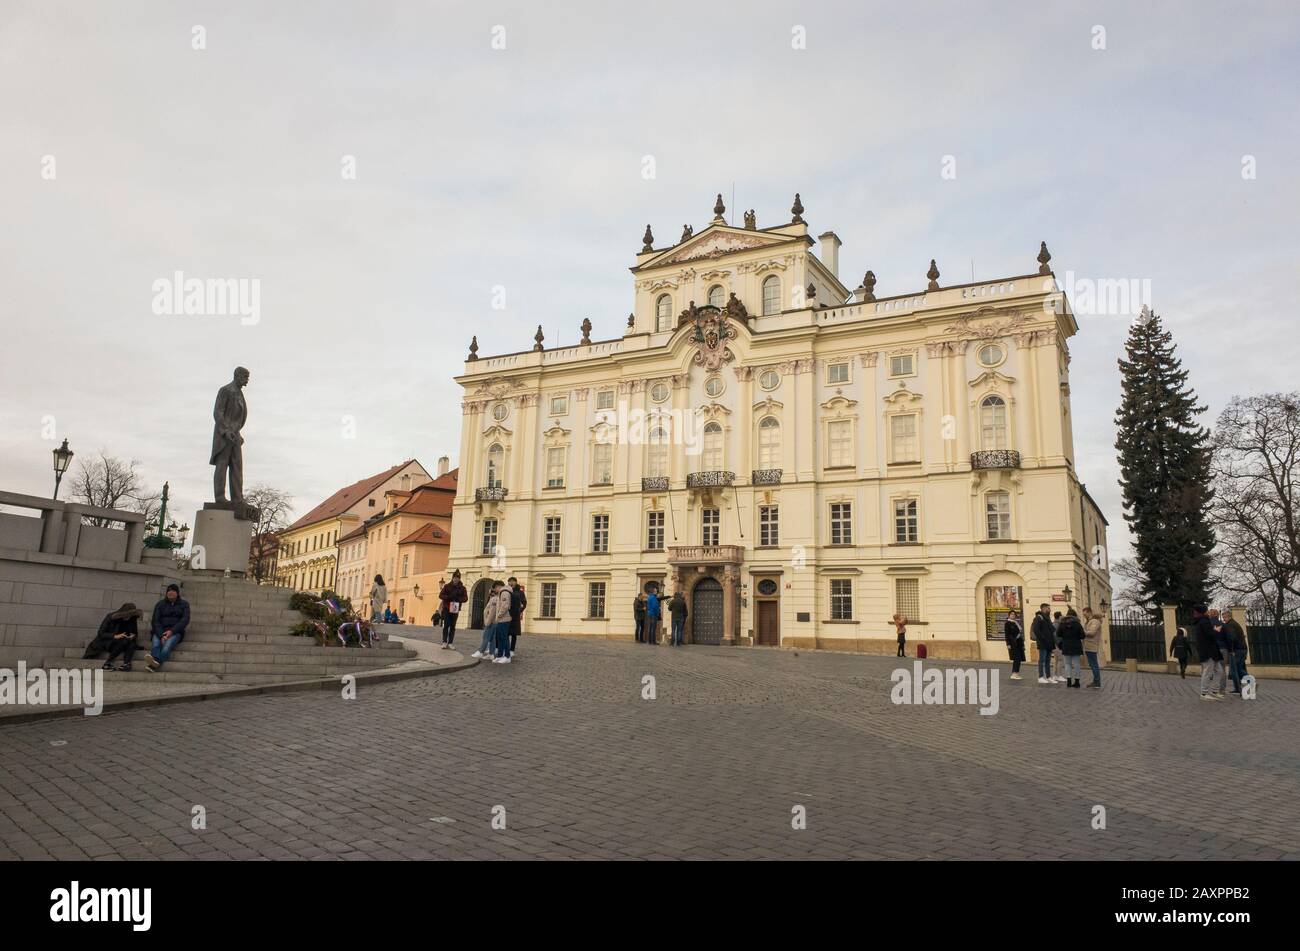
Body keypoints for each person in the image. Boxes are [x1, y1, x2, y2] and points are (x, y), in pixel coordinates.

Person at [83, 603, 142, 671]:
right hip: (110, 641)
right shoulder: (111, 617)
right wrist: (115, 636)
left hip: (124, 641)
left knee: (131, 644)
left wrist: (133, 636)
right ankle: (108, 662)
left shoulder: (132, 619)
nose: (128, 617)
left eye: (130, 615)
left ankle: (127, 664)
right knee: (125, 641)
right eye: (127, 615)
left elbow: (135, 633)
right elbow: (101, 633)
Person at [146, 584, 190, 671]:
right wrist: (161, 635)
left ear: (177, 593)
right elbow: (155, 621)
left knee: (166, 647)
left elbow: (184, 620)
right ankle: (155, 663)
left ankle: (154, 663)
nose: (170, 593)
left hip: (175, 632)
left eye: (173, 591)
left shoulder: (184, 604)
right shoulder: (160, 604)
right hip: (159, 631)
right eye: (169, 591)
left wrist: (171, 631)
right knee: (156, 645)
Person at [1192, 604, 1223, 701]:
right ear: (1203, 612)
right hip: (1208, 651)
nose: (1208, 611)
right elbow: (1210, 635)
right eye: (1207, 610)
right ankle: (1204, 693)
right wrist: (1216, 630)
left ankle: (1214, 691)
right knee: (1208, 672)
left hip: (1212, 651)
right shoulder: (1204, 622)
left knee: (1219, 671)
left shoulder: (1203, 621)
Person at [473, 579, 505, 660]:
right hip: (495, 621)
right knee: (492, 638)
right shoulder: (498, 597)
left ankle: (480, 651)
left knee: (486, 636)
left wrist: (487, 622)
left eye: (495, 587)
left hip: (491, 621)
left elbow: (492, 612)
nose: (494, 589)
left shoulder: (495, 599)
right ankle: (491, 653)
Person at [437, 570, 468, 649]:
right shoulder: (447, 586)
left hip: (455, 608)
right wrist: (448, 597)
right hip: (447, 608)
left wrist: (458, 599)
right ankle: (444, 642)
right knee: (446, 625)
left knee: (453, 626)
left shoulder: (462, 588)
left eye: (457, 578)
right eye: (454, 578)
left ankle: (450, 642)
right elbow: (441, 595)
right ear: (452, 578)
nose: (456, 579)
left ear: (459, 579)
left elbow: (465, 598)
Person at [1056, 608, 1086, 688]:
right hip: (1076, 645)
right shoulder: (1077, 624)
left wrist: (1065, 635)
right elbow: (1083, 635)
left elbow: (1058, 634)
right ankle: (1077, 682)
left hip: (1066, 645)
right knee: (1076, 664)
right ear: (1075, 615)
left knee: (1067, 664)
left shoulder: (1062, 623)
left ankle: (1068, 681)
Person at [1222, 610, 1247, 695]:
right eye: (1223, 617)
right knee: (1236, 669)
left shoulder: (1230, 625)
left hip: (1237, 650)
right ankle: (1238, 688)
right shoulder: (1233, 624)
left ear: (1229, 617)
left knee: (1237, 669)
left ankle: (1250, 682)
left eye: (1224, 617)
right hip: (1240, 649)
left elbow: (1232, 638)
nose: (1223, 619)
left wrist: (1231, 650)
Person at [1031, 603, 1056, 684]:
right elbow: (1036, 630)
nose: (1050, 610)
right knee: (1042, 660)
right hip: (1043, 643)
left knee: (1048, 661)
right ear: (1044, 609)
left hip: (1049, 643)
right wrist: (1043, 638)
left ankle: (1048, 677)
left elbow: (1052, 629)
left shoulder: (1047, 618)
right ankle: (1041, 676)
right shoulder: (1039, 618)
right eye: (1048, 608)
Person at [491, 582, 514, 664]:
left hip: (504, 619)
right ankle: (500, 655)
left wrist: (499, 615)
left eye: (495, 589)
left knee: (504, 638)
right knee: (500, 638)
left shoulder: (504, 592)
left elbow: (505, 605)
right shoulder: (503, 592)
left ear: (498, 587)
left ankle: (507, 656)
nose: (495, 591)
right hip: (502, 619)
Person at [1082, 607, 1104, 688]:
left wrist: (1082, 631)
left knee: (1094, 665)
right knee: (1092, 664)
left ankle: (1097, 682)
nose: (1084, 616)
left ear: (1089, 612)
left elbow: (1092, 633)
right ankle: (1095, 681)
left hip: (1092, 645)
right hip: (1088, 646)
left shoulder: (1094, 621)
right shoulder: (1090, 621)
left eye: (1085, 614)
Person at [507, 577, 527, 656]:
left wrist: (519, 611)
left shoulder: (520, 592)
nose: (511, 583)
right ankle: (506, 648)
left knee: (514, 634)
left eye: (512, 581)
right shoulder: (507, 591)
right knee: (506, 633)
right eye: (509, 581)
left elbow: (524, 603)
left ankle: (512, 650)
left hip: (515, 616)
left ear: (515, 582)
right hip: (507, 614)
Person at [1003, 610, 1025, 680]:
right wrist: (1008, 644)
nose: (1013, 615)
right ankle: (1014, 674)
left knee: (1018, 659)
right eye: (1011, 614)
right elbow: (1007, 634)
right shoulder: (1007, 623)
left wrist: (1022, 644)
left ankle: (1016, 673)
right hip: (1013, 643)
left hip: (1018, 643)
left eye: (1014, 614)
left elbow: (1020, 633)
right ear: (1009, 615)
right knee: (1016, 658)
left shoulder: (1015, 623)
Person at [1051, 611, 1066, 683]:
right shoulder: (1057, 625)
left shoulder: (1053, 624)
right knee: (1060, 660)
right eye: (1061, 616)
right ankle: (1058, 675)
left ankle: (1055, 675)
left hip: (1055, 644)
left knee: (1056, 660)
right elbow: (1055, 636)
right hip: (1057, 645)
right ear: (1059, 617)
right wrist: (1059, 644)